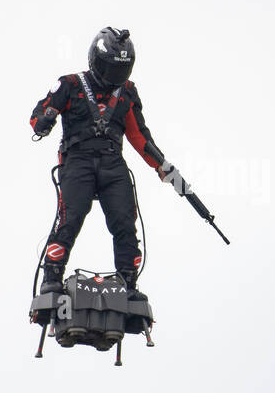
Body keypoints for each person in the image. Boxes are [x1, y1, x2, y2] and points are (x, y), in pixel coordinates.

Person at [30, 27, 188, 301]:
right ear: (95, 60)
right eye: (109, 70)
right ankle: (51, 277)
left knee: (125, 222)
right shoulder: (69, 83)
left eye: (119, 72)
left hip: (113, 163)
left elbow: (140, 136)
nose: (113, 78)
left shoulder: (127, 91)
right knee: (71, 217)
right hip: (77, 160)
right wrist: (45, 120)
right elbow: (38, 114)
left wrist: (165, 168)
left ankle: (128, 284)